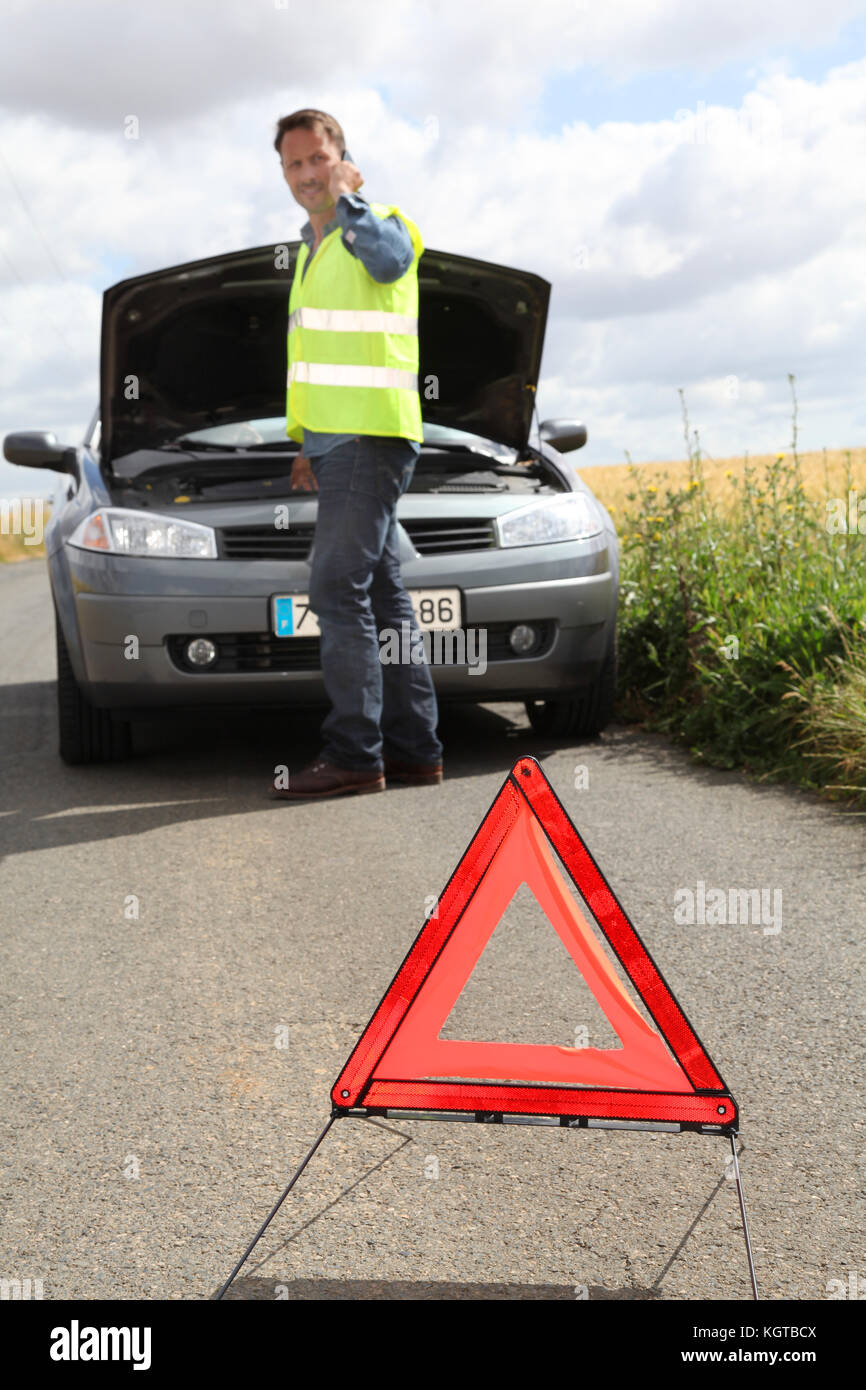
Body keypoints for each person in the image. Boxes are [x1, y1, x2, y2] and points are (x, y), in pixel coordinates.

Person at [270, 109, 443, 801]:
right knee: (381, 592)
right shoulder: (308, 255)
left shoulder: (378, 224)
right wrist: (305, 444)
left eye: (319, 159)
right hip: (337, 441)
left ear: (343, 159)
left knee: (333, 589)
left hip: (371, 434)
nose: (308, 174)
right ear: (282, 175)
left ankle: (354, 754)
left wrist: (350, 202)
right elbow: (311, 360)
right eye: (295, 165)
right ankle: (412, 751)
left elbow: (393, 261)